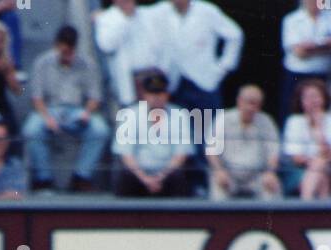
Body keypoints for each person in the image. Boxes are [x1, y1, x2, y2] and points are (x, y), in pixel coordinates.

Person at [148, 0, 243, 188]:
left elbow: (235, 35)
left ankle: (207, 184)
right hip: (174, 85)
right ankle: (184, 186)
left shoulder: (207, 11)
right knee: (179, 135)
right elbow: (135, 15)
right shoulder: (160, 11)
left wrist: (222, 68)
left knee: (205, 136)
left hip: (203, 83)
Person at [24, 24, 109, 193]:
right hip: (49, 109)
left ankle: (81, 176)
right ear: (56, 45)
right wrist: (47, 118)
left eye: (70, 51)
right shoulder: (42, 62)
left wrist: (87, 112)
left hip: (76, 111)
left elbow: (95, 97)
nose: (67, 55)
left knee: (100, 130)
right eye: (63, 50)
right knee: (31, 130)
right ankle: (44, 179)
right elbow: (37, 98)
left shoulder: (87, 63)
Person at [112, 68, 192, 196]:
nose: (156, 98)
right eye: (152, 93)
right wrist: (145, 178)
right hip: (138, 174)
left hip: (167, 174)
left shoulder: (180, 115)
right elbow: (126, 154)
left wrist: (161, 177)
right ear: (144, 94)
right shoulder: (129, 114)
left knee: (180, 177)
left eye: (160, 93)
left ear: (167, 95)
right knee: (125, 177)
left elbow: (181, 155)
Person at [207, 85, 281, 200]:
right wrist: (219, 170)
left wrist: (270, 172)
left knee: (272, 187)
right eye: (249, 102)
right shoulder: (223, 119)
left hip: (257, 175)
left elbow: (273, 153)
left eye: (256, 104)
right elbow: (211, 151)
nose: (251, 108)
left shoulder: (266, 121)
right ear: (239, 101)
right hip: (228, 173)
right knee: (218, 188)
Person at [92, 0, 166, 108]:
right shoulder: (106, 18)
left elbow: (159, 46)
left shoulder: (147, 14)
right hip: (128, 83)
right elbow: (106, 45)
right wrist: (124, 18)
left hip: (152, 78)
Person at [280, 1, 331, 123]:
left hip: (322, 75)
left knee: (322, 115)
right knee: (292, 114)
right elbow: (299, 53)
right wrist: (325, 45)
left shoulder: (329, 18)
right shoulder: (291, 19)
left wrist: (310, 46)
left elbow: (305, 50)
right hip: (297, 75)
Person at [282, 76, 331, 198]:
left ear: (323, 98)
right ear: (301, 100)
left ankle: (306, 203)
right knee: (320, 170)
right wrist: (316, 162)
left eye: (315, 96)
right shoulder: (294, 121)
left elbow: (328, 154)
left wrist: (319, 128)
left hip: (327, 166)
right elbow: (296, 157)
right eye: (307, 97)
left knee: (320, 167)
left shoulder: (329, 120)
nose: (312, 101)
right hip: (300, 169)